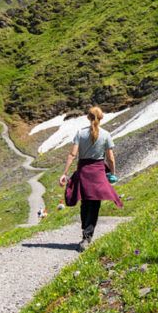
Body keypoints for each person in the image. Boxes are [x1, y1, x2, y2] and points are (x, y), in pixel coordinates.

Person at [59, 106, 123, 251]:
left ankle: (85, 233)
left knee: (85, 202)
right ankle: (87, 236)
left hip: (83, 171)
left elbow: (72, 154)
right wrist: (112, 173)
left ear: (88, 117)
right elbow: (110, 157)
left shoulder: (80, 133)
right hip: (98, 172)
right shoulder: (106, 134)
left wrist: (64, 173)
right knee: (94, 204)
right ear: (101, 118)